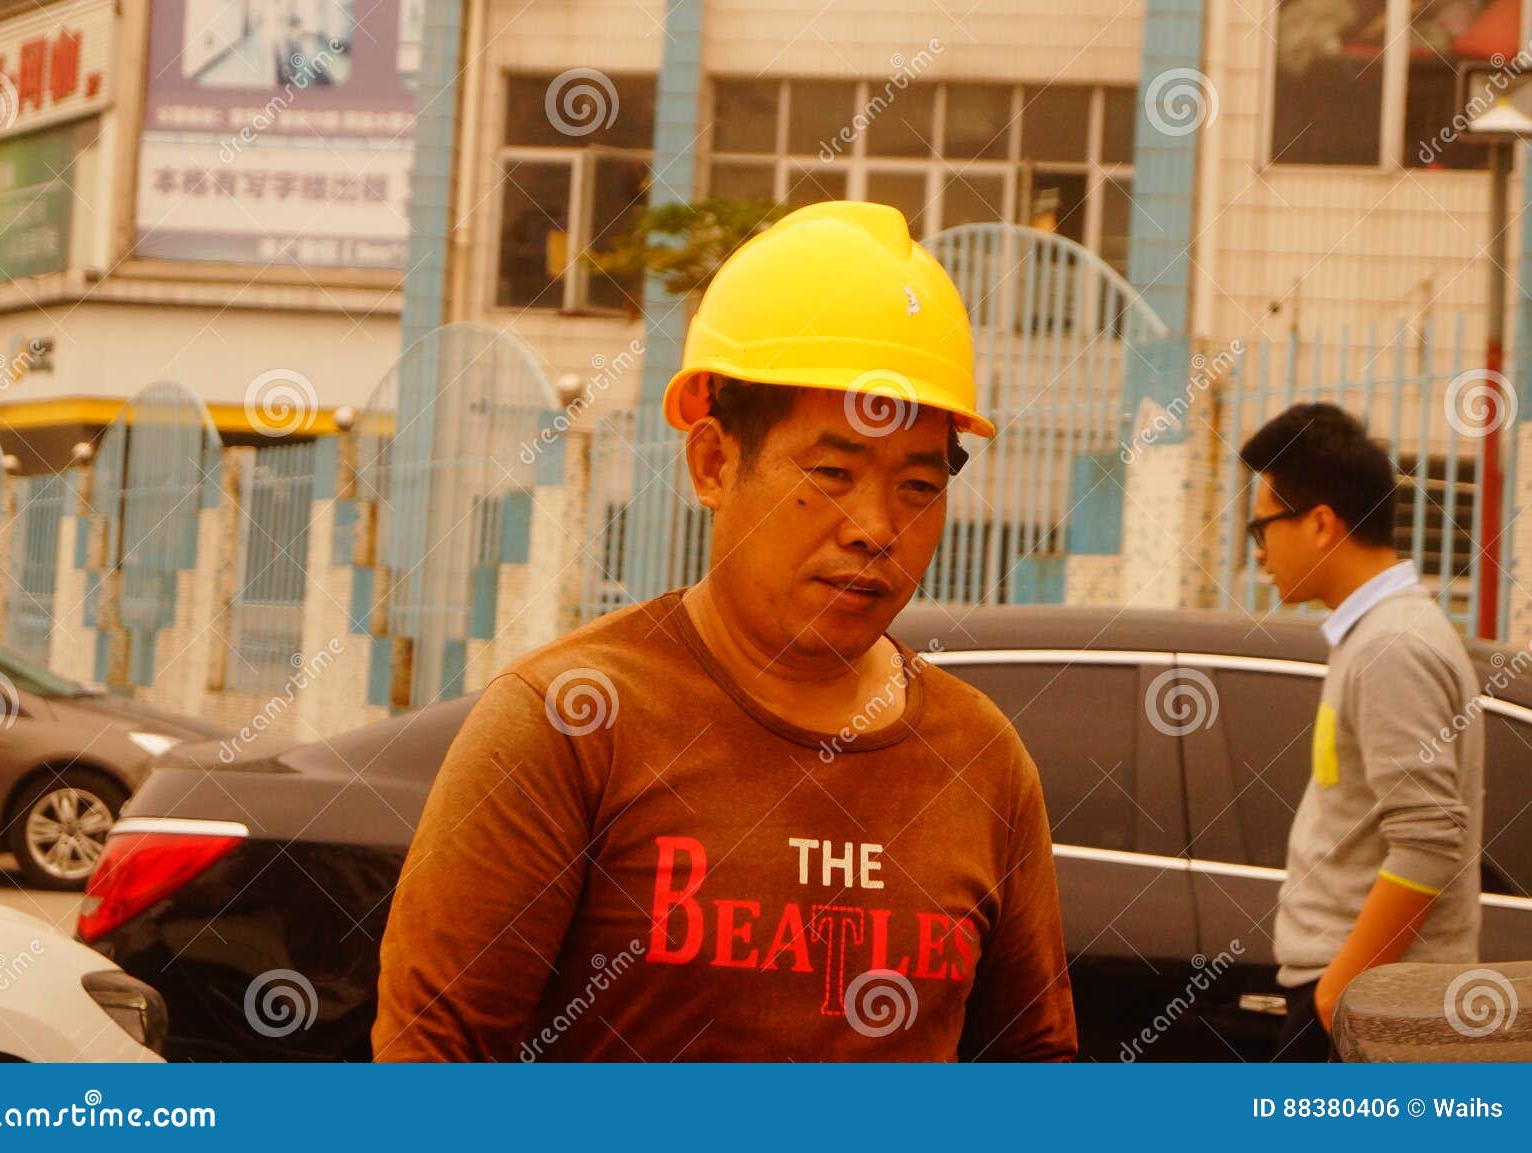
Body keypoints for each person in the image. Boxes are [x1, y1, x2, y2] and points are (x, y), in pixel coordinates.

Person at [370, 201, 1076, 1061]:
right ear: (713, 462)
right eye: (832, 471)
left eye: (919, 487)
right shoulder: (572, 724)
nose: (876, 527)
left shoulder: (981, 759)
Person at [1240, 403, 1484, 1061]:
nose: (1259, 551)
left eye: (1262, 527)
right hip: (1366, 993)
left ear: (1321, 523)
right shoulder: (1379, 634)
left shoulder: (1390, 645)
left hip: (1370, 999)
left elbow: (1429, 839)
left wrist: (1338, 992)